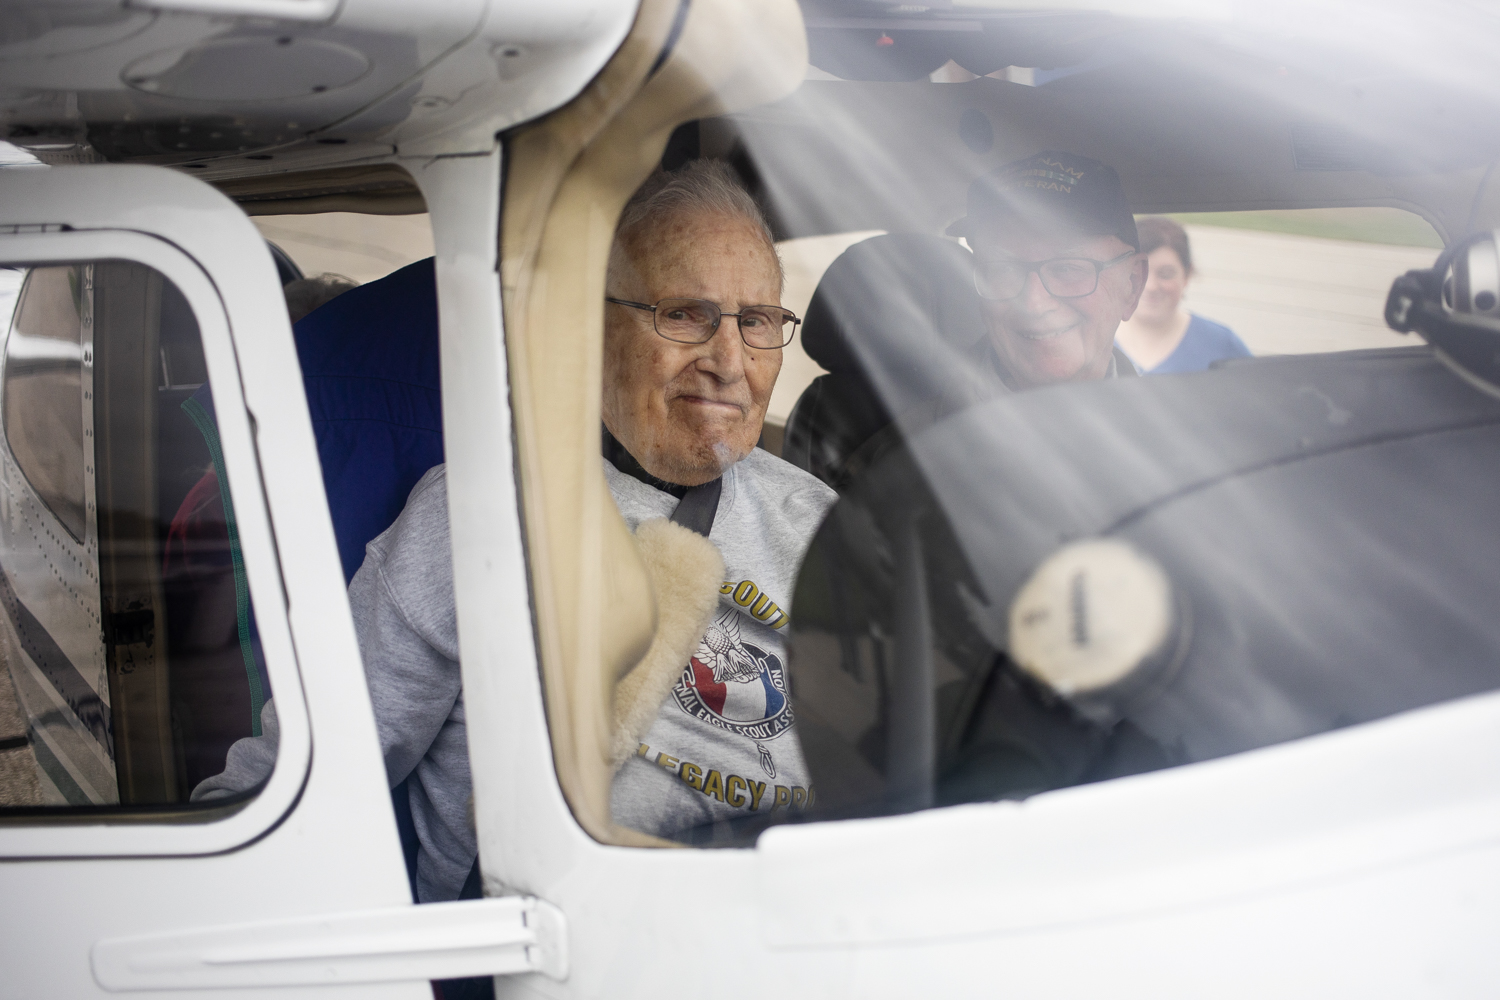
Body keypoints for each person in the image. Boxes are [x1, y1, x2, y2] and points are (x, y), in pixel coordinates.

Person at [193, 160, 837, 902]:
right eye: (685, 314)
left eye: (756, 322)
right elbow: (301, 783)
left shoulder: (821, 524)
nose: (729, 362)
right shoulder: (479, 516)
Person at [946, 151, 1148, 389]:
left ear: (1132, 285)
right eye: (1004, 270)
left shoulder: (1174, 413)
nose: (1034, 305)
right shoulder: (918, 414)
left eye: (1067, 268)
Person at [1114, 216, 1252, 373]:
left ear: (1187, 274)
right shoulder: (1096, 339)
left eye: (1166, 274)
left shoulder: (1223, 345)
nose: (1150, 286)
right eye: (1138, 273)